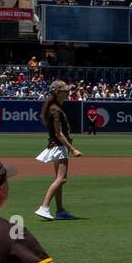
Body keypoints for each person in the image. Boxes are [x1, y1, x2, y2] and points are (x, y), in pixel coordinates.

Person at [35, 80, 82, 221]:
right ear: (57, 91)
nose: (68, 93)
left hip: (56, 146)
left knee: (59, 179)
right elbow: (58, 134)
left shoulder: (55, 107)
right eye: (65, 91)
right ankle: (44, 207)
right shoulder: (55, 109)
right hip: (58, 147)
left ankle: (60, 211)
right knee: (62, 178)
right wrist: (72, 149)